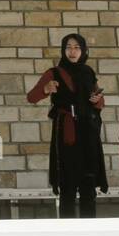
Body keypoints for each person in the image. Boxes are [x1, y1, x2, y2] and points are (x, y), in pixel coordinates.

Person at [26, 33, 108, 218]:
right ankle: (67, 228)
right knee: (68, 182)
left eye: (77, 47)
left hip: (88, 132)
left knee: (88, 180)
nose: (72, 51)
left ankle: (90, 228)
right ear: (63, 50)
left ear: (84, 50)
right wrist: (46, 89)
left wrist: (97, 100)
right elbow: (32, 97)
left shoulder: (88, 72)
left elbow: (99, 102)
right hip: (67, 131)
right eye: (68, 47)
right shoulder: (54, 72)